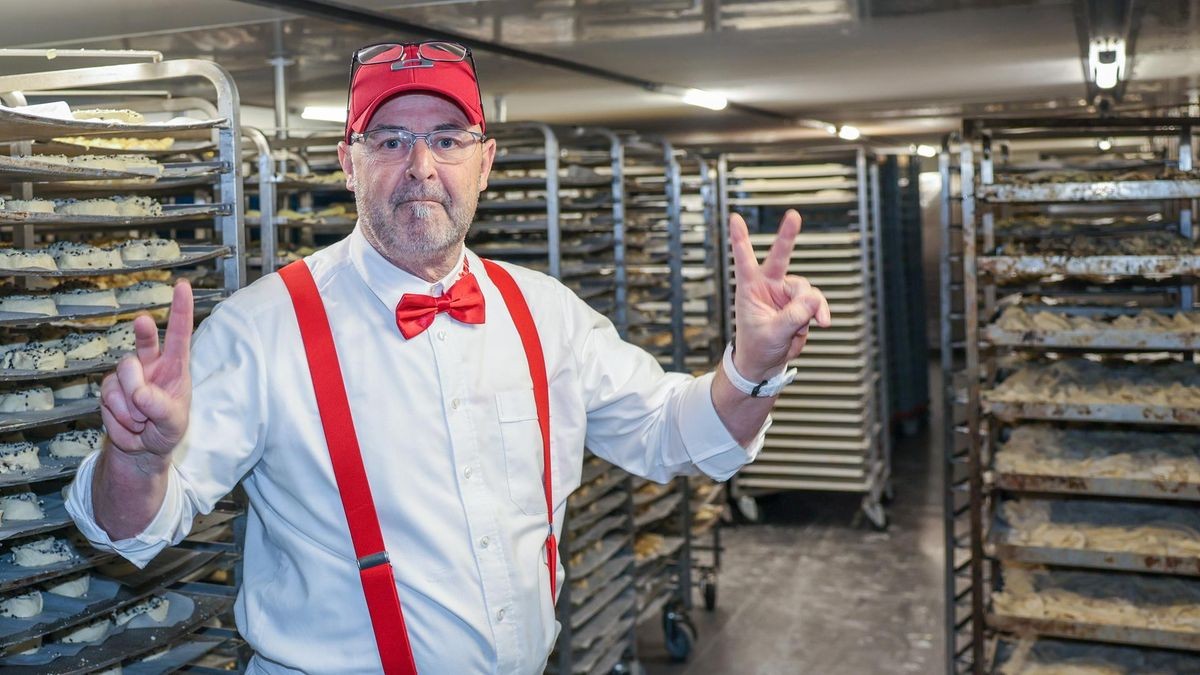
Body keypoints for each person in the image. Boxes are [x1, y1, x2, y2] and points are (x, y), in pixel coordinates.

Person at [66, 40, 831, 675]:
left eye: (446, 139)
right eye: (390, 140)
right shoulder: (263, 328)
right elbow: (132, 531)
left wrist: (749, 369)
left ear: (486, 160)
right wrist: (134, 460)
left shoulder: (545, 312)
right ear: (348, 161)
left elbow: (680, 433)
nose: (421, 166)